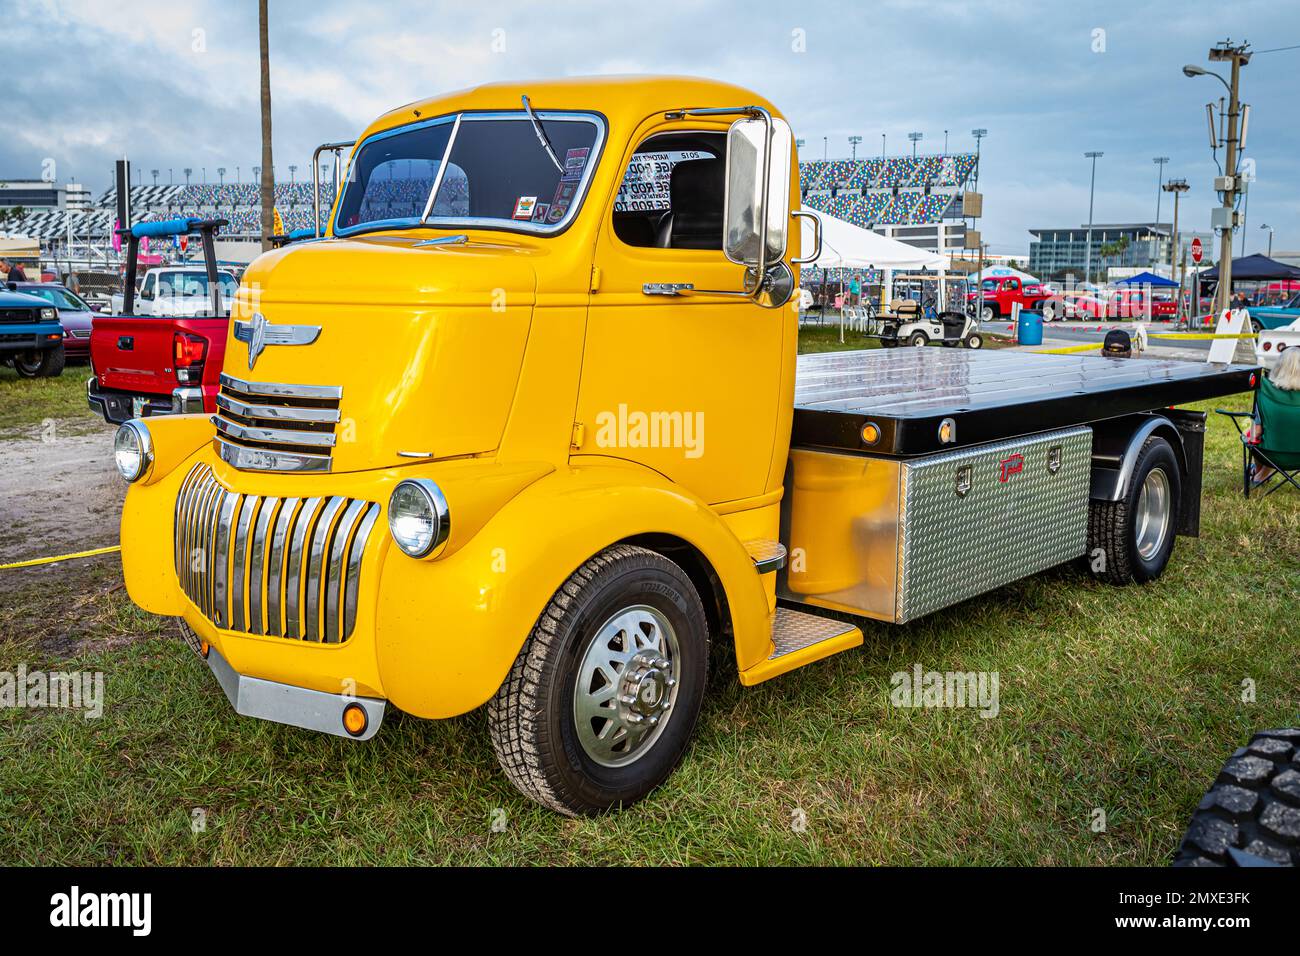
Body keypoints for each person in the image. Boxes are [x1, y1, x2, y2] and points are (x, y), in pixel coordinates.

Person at [1249, 347, 1300, 485]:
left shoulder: (1265, 392)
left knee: (1253, 435)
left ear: (1278, 367)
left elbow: (1256, 434)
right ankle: (1262, 474)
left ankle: (1260, 474)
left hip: (1272, 455)